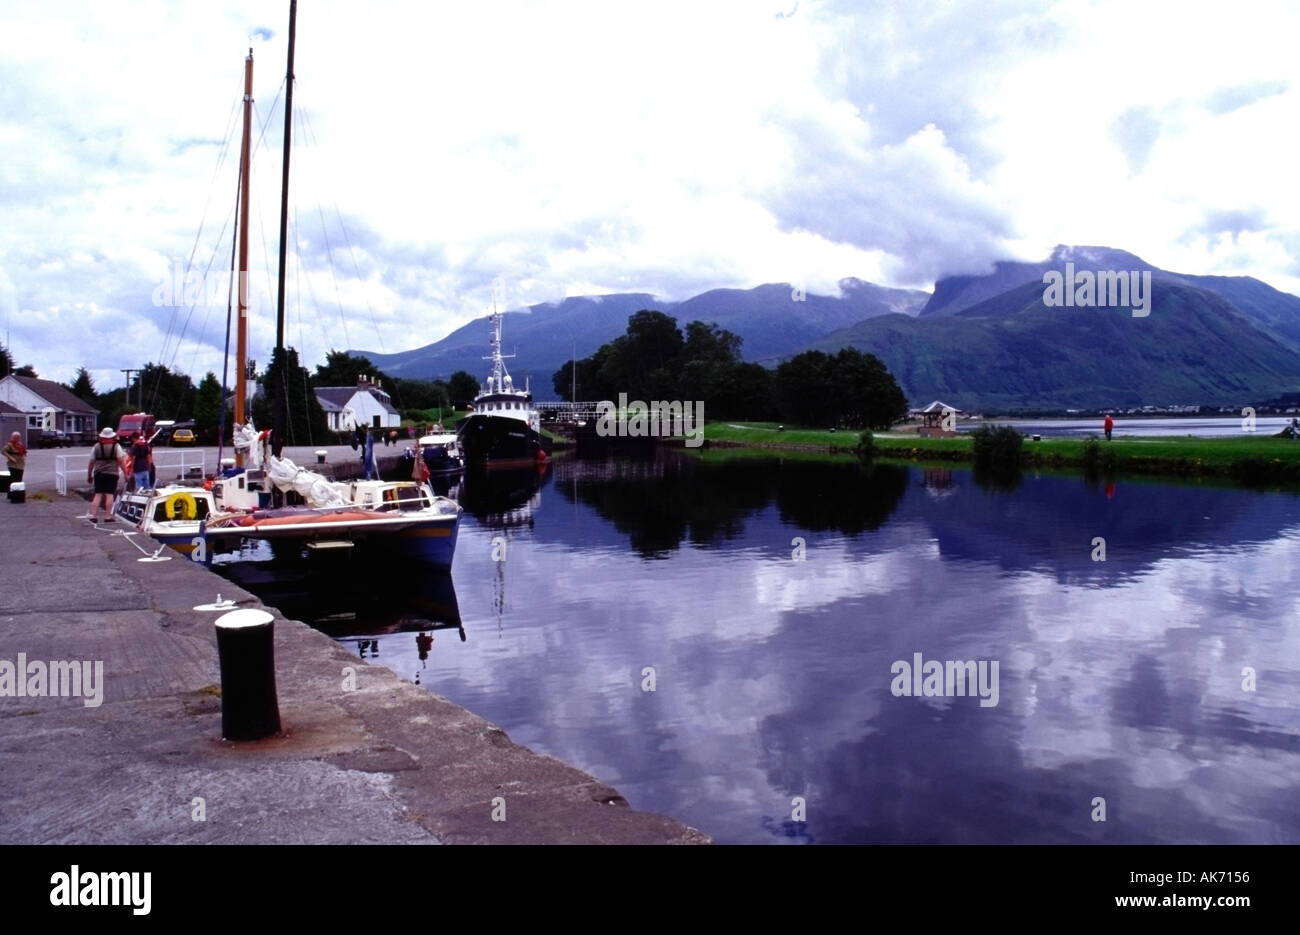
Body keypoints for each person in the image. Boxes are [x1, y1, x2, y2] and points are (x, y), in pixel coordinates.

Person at [87, 427, 129, 523]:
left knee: (98, 494)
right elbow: (121, 461)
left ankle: (93, 516)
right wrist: (126, 474)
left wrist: (89, 475)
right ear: (112, 436)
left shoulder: (96, 447)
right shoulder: (116, 446)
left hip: (98, 473)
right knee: (109, 494)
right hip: (112, 473)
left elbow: (91, 463)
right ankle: (108, 517)